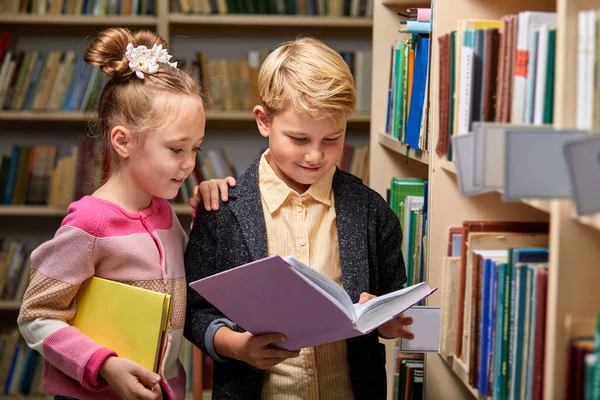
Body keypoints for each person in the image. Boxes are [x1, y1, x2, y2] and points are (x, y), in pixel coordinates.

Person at [184, 36, 413, 399]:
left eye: (332, 139)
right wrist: (236, 346)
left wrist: (388, 321)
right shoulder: (223, 209)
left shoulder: (370, 211)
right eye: (299, 138)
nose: (315, 155)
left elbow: (391, 300)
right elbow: (193, 310)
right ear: (264, 121)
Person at [17, 27, 206, 400]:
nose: (189, 164)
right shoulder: (90, 224)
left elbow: (196, 276)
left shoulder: (165, 213)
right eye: (176, 149)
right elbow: (35, 315)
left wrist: (209, 213)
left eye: (196, 149)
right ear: (122, 141)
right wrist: (104, 364)